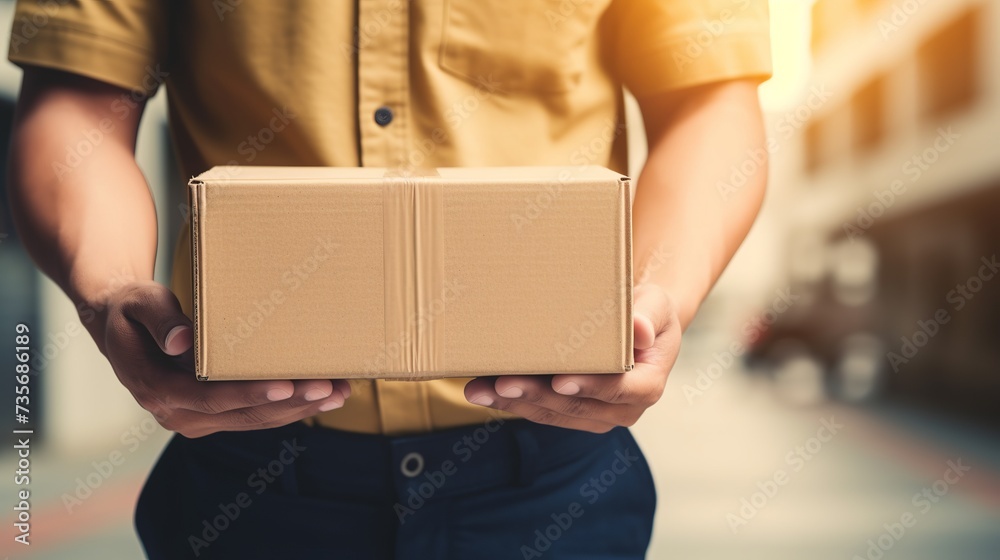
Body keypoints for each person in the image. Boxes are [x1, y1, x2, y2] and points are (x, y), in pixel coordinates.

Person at [7, 0, 771, 558]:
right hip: (252, 476)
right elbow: (79, 102)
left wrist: (661, 290)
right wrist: (108, 290)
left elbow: (706, 103)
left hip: (550, 478)